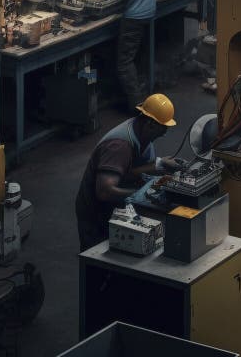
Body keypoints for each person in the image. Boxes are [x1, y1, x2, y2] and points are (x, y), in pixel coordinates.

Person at [75, 94, 182, 251]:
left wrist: (159, 164)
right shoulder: (119, 146)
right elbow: (104, 191)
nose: (164, 133)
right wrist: (142, 195)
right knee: (99, 263)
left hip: (115, 209)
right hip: (97, 215)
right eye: (163, 128)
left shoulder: (140, 132)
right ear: (150, 123)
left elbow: (127, 171)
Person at [84, 0, 165, 109]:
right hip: (150, 14)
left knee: (124, 63)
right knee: (135, 53)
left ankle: (137, 103)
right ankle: (136, 89)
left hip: (133, 20)